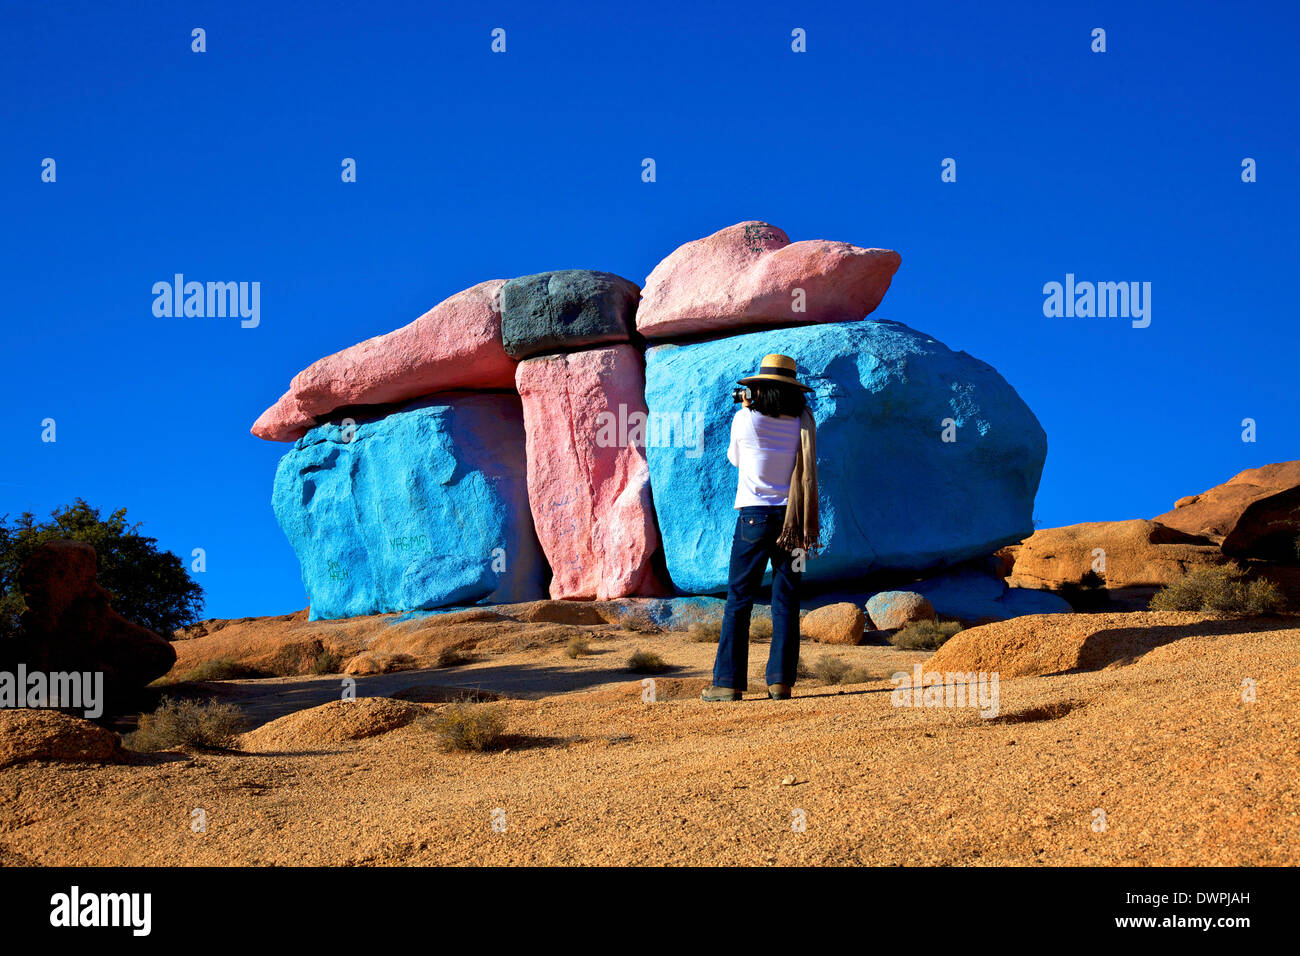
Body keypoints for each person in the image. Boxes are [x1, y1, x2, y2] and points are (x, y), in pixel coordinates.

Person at [702, 353, 820, 702]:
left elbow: (734, 458)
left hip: (754, 517)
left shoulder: (745, 419)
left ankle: (727, 683)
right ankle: (780, 681)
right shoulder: (803, 421)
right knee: (786, 599)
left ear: (759, 390)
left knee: (739, 599)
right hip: (794, 520)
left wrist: (744, 408)